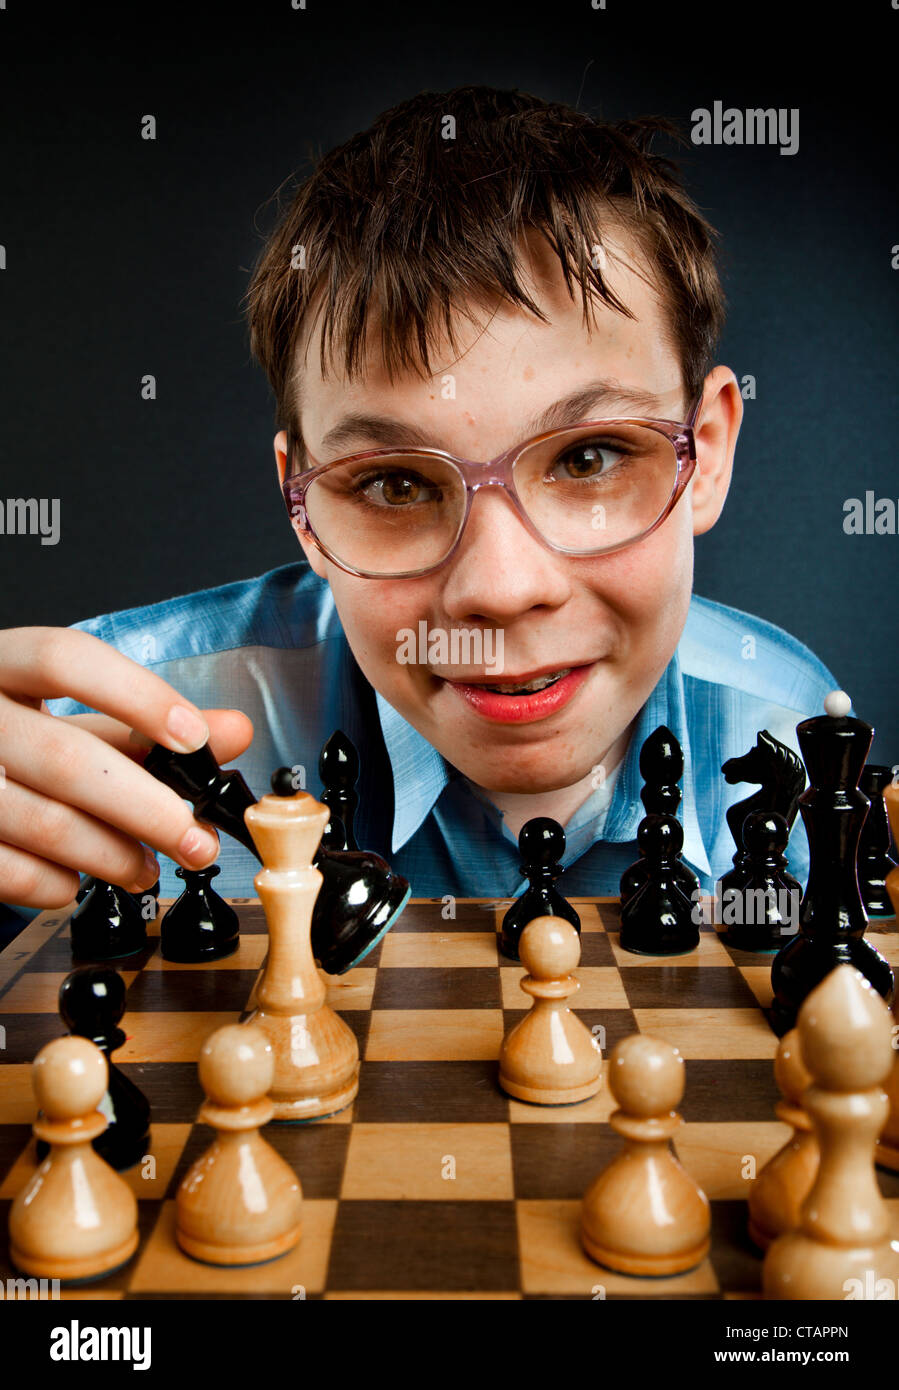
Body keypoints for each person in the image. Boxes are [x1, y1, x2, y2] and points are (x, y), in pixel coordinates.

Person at [0, 86, 835, 928]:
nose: (501, 588)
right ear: (302, 506)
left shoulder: (784, 722)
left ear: (707, 456)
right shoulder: (97, 740)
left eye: (590, 457)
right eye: (395, 484)